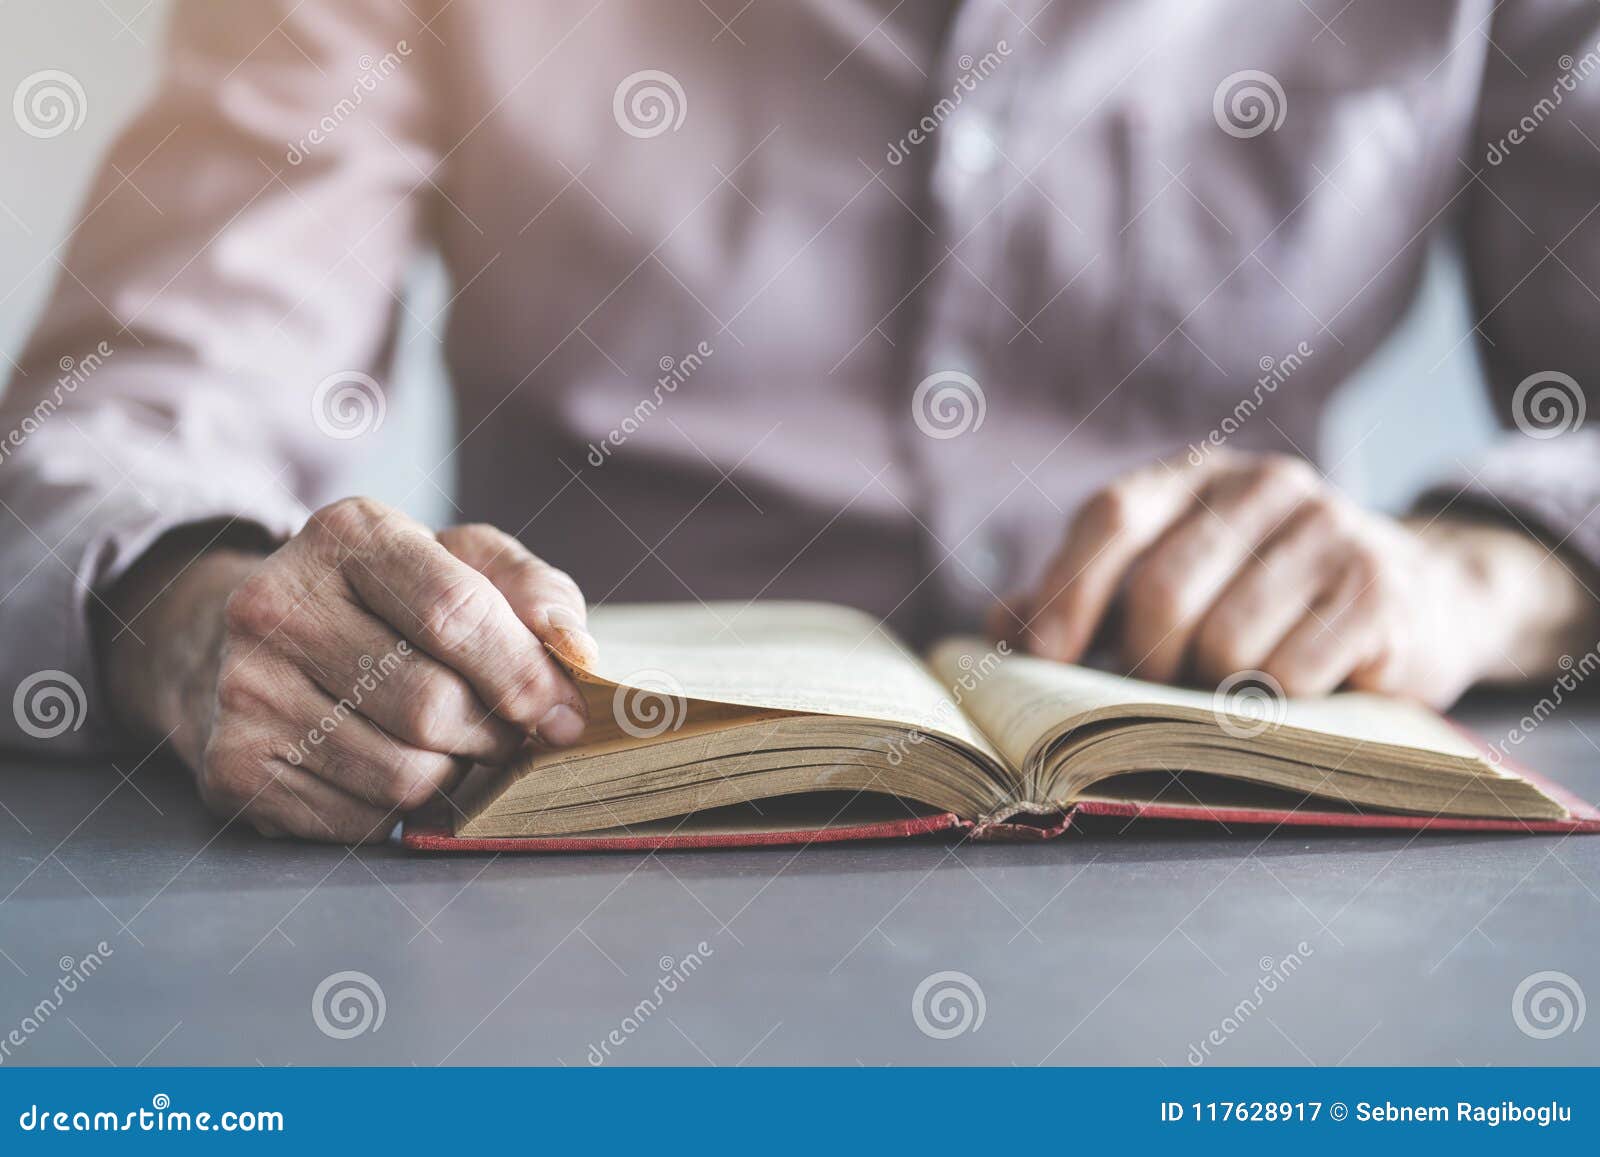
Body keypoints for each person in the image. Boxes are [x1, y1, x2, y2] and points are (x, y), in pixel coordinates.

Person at [1, 2, 1596, 842]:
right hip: (557, 876)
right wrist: (198, 609)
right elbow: (129, 411)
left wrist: (1480, 571)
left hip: (1267, 860)